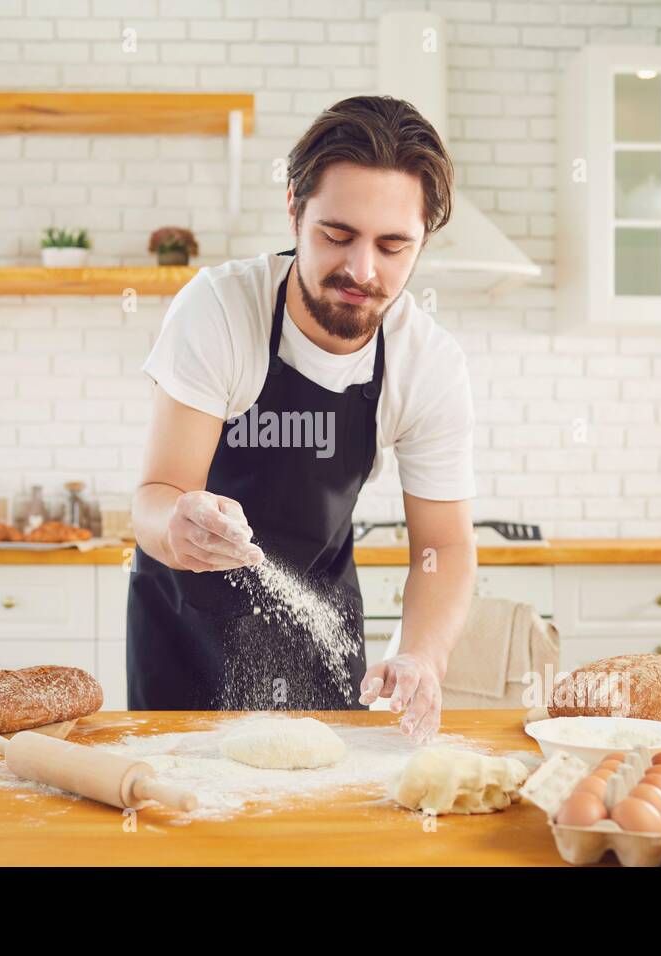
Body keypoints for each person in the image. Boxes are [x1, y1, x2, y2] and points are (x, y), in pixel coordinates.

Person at [126, 95, 478, 740]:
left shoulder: (426, 362)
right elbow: (156, 495)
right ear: (294, 208)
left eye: (394, 245)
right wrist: (176, 524)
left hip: (318, 624)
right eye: (337, 236)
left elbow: (444, 545)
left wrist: (423, 654)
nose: (362, 270)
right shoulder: (220, 309)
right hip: (182, 632)